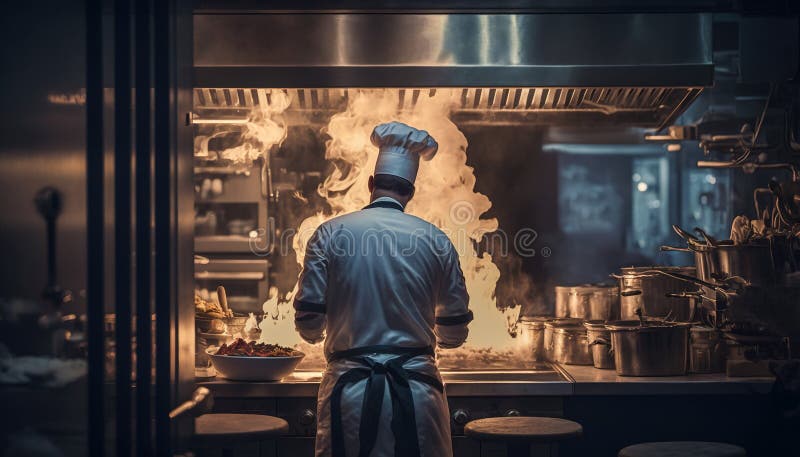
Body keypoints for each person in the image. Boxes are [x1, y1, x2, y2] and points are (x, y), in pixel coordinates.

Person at [293, 121, 472, 457]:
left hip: (350, 395)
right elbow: (454, 332)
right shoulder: (437, 240)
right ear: (412, 192)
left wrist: (325, 334)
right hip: (418, 393)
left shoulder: (328, 233)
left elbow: (308, 323)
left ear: (371, 183)